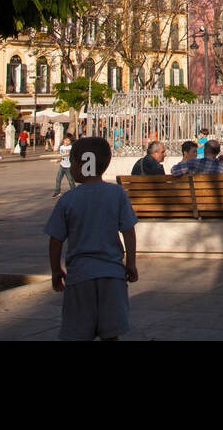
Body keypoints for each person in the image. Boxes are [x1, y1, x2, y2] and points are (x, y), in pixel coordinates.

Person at [44, 137, 139, 341]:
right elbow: (129, 231)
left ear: (81, 163)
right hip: (112, 274)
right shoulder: (117, 194)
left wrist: (55, 270)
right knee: (110, 332)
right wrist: (130, 263)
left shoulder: (68, 199)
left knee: (78, 332)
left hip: (80, 275)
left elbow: (56, 239)